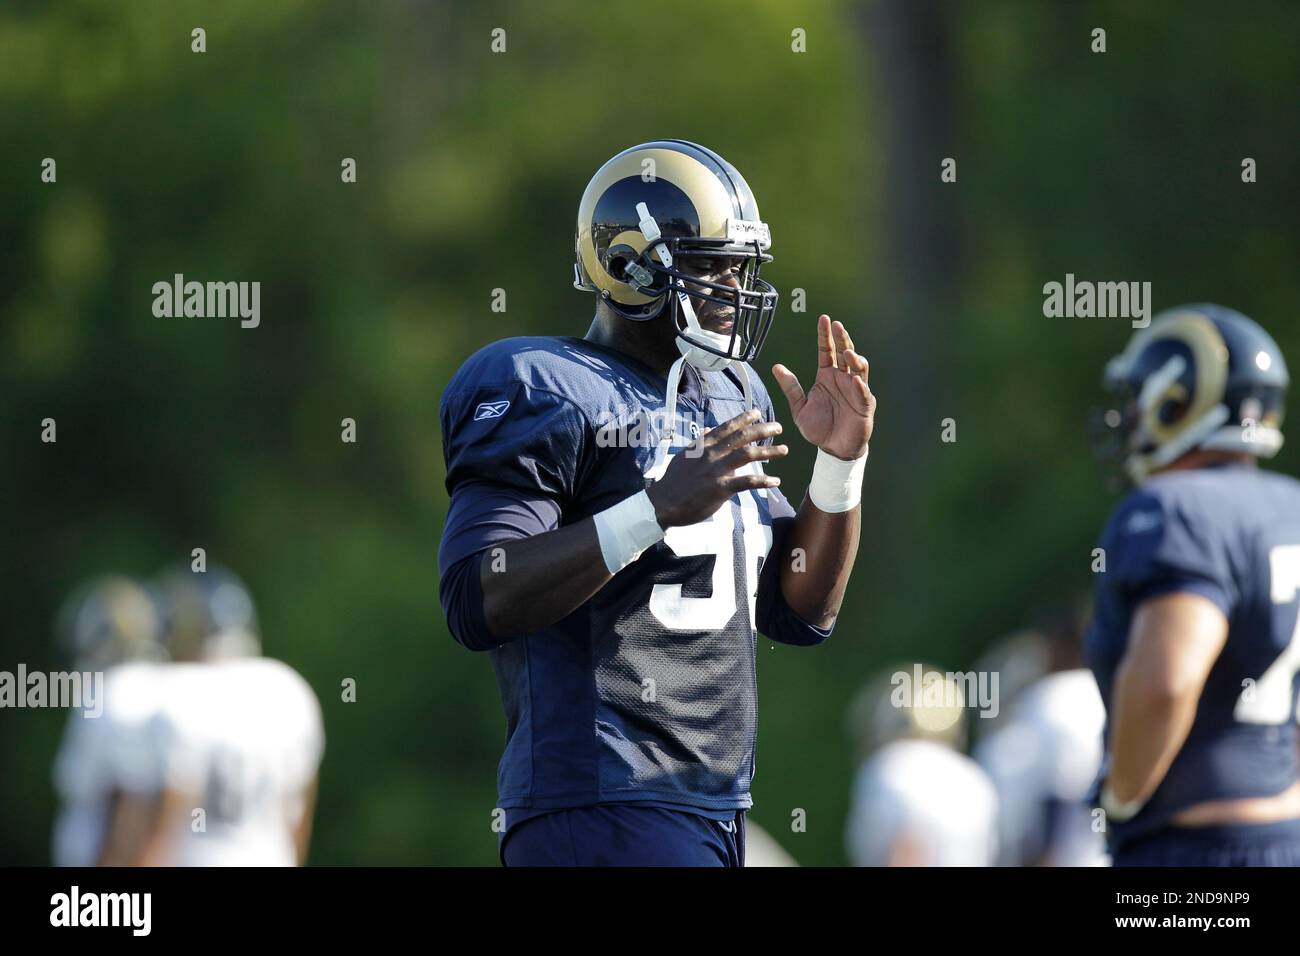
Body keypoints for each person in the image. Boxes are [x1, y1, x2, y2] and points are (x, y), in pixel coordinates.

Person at [438, 140, 876, 866]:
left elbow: (795, 612)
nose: (733, 288)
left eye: (740, 267)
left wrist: (839, 464)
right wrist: (656, 509)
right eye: (709, 266)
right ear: (628, 266)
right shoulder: (544, 385)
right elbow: (479, 595)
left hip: (713, 802)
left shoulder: (730, 393)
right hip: (599, 797)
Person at [1087, 303, 1300, 866]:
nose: (1130, 416)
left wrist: (1121, 797)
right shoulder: (1291, 506)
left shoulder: (1174, 508)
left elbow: (1167, 682)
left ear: (1176, 400)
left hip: (1194, 848)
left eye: (1139, 398)